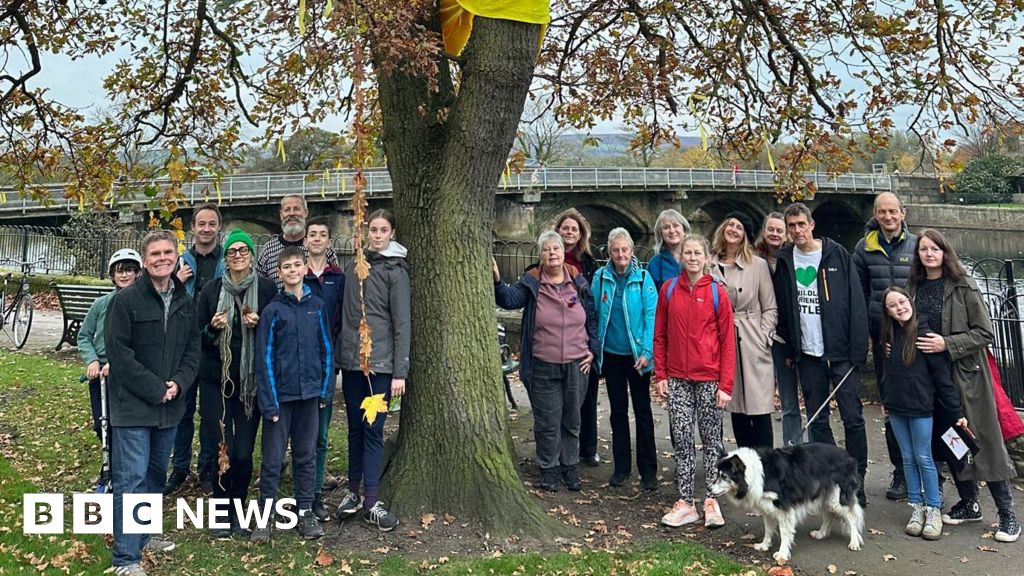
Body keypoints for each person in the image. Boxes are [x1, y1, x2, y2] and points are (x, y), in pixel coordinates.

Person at [907, 229, 1020, 542]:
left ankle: (1008, 513)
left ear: (945, 252)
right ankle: (970, 503)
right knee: (950, 441)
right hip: (930, 380)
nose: (929, 254)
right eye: (923, 249)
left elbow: (984, 333)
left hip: (967, 378)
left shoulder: (963, 285)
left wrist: (947, 344)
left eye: (934, 249)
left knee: (982, 441)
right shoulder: (914, 287)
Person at [104, 230, 200, 576]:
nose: (163, 258)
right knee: (131, 478)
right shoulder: (126, 301)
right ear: (145, 261)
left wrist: (179, 383)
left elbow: (192, 349)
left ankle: (143, 534)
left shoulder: (184, 301)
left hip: (170, 406)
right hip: (132, 406)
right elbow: (119, 354)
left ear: (177, 256)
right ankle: (126, 558)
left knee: (155, 475)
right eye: (155, 253)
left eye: (168, 252)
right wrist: (155, 387)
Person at [774, 203, 870, 506]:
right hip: (808, 353)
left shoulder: (837, 254)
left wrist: (858, 349)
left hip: (840, 352)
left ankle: (857, 477)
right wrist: (791, 347)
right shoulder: (785, 259)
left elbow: (856, 300)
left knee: (853, 417)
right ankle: (833, 476)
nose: (797, 231)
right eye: (792, 226)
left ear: (812, 224)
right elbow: (783, 307)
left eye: (801, 224)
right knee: (818, 420)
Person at [493, 230, 598, 493]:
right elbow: (508, 299)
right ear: (540, 255)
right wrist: (496, 280)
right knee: (547, 421)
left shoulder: (579, 282)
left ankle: (570, 467)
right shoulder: (532, 281)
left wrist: (593, 349)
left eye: (557, 249)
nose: (552, 253)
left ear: (564, 254)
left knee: (572, 419)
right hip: (543, 363)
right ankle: (548, 469)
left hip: (577, 363)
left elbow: (593, 319)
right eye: (547, 249)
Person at [194, 229, 276, 538]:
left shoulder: (267, 290)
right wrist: (213, 330)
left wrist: (262, 323)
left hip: (250, 384)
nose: (238, 255)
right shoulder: (212, 291)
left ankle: (238, 511)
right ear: (225, 258)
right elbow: (196, 338)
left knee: (242, 453)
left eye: (243, 251)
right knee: (220, 448)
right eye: (232, 252)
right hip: (217, 381)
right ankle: (219, 513)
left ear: (252, 256)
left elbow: (277, 334)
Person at [251, 246, 333, 542]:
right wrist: (269, 401)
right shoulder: (273, 311)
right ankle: (264, 516)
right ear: (280, 272)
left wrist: (324, 389)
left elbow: (326, 349)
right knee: (272, 460)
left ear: (304, 269)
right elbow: (266, 358)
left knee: (305, 456)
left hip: (310, 396)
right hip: (281, 399)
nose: (293, 271)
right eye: (287, 267)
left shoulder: (317, 306)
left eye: (298, 265)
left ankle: (305, 511)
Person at [335, 209, 410, 531]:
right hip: (353, 364)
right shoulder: (354, 266)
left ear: (391, 233)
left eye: (383, 230)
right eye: (373, 230)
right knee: (354, 427)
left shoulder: (396, 271)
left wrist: (399, 372)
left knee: (372, 428)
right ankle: (352, 491)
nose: (377, 235)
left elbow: (402, 323)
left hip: (380, 367)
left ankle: (372, 499)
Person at [653, 234, 734, 529]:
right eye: (687, 252)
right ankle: (686, 502)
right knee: (683, 440)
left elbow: (727, 342)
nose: (692, 257)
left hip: (709, 378)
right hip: (677, 379)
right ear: (681, 257)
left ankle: (712, 499)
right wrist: (661, 374)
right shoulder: (669, 290)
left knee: (712, 442)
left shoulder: (717, 293)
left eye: (697, 253)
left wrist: (726, 385)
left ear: (706, 257)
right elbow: (660, 334)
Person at [879, 287, 963, 540]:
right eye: (893, 305)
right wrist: (886, 400)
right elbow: (885, 374)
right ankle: (916, 508)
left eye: (902, 301)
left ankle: (933, 508)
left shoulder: (925, 335)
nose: (899, 308)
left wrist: (956, 410)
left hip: (921, 408)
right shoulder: (889, 336)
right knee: (907, 459)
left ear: (910, 301)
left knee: (924, 457)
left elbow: (942, 378)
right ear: (888, 312)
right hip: (896, 407)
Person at [853, 192, 917, 502]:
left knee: (924, 404)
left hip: (915, 337)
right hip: (882, 340)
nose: (888, 216)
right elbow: (859, 294)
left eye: (893, 211)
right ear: (876, 215)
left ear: (903, 213)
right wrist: (866, 334)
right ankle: (901, 471)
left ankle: (931, 467)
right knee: (891, 405)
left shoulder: (917, 245)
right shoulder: (864, 248)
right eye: (882, 212)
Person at [592, 228, 658, 490]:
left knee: (642, 411)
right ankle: (621, 468)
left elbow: (652, 317)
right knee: (618, 412)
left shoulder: (643, 278)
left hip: (638, 356)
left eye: (625, 249)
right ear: (609, 252)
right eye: (616, 250)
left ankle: (649, 471)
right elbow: (595, 314)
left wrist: (648, 352)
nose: (620, 254)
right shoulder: (600, 277)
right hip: (611, 355)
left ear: (632, 251)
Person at [166, 203, 224, 496]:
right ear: (193, 228)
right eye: (201, 223)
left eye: (211, 224)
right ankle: (179, 469)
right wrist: (177, 282)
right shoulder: (178, 261)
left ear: (218, 228)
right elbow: (161, 296)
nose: (206, 229)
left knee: (211, 414)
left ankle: (207, 469)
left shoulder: (228, 259)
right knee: (182, 411)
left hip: (215, 346)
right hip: (184, 347)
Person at [711, 212, 778, 449]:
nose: (733, 229)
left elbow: (770, 306)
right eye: (729, 224)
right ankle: (745, 463)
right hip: (721, 339)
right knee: (736, 407)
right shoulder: (710, 264)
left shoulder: (757, 265)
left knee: (759, 409)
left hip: (752, 338)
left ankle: (766, 465)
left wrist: (764, 337)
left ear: (745, 236)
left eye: (739, 227)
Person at [78, 249, 142, 488]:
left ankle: (119, 469)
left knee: (121, 424)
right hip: (100, 374)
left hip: (126, 372)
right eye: (118, 271)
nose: (124, 275)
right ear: (112, 275)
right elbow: (84, 336)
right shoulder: (101, 304)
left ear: (137, 273)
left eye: (129, 270)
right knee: (101, 424)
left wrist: (118, 363)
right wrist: (92, 360)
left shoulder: (142, 304)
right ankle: (109, 466)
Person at [302, 216, 345, 522]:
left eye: (322, 235)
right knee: (299, 432)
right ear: (304, 241)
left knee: (320, 432)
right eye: (312, 234)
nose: (316, 239)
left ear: (329, 242)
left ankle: (315, 494)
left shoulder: (338, 278)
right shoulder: (295, 274)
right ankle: (300, 493)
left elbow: (343, 320)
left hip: (326, 365)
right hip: (296, 363)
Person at [553, 208, 602, 468]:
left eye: (574, 229)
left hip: (582, 337)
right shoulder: (548, 258)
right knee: (560, 398)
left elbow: (593, 305)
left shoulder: (589, 264)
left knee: (587, 396)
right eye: (565, 228)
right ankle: (561, 448)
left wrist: (592, 344)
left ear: (581, 234)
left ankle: (589, 447)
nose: (569, 232)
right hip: (557, 339)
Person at [755, 212, 802, 444]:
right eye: (770, 229)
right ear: (764, 232)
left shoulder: (793, 259)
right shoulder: (754, 258)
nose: (774, 234)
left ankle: (796, 448)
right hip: (761, 335)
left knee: (792, 399)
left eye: (779, 230)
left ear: (786, 234)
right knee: (769, 397)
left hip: (789, 336)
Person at [255, 195, 337, 289]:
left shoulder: (321, 248)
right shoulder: (268, 250)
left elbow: (336, 280)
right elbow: (258, 285)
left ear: (306, 212)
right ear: (281, 215)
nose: (291, 214)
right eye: (287, 210)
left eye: (296, 209)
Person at [647, 209, 692, 290]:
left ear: (684, 230)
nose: (672, 231)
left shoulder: (696, 257)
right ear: (661, 233)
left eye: (675, 226)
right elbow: (650, 296)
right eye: (666, 227)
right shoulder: (655, 263)